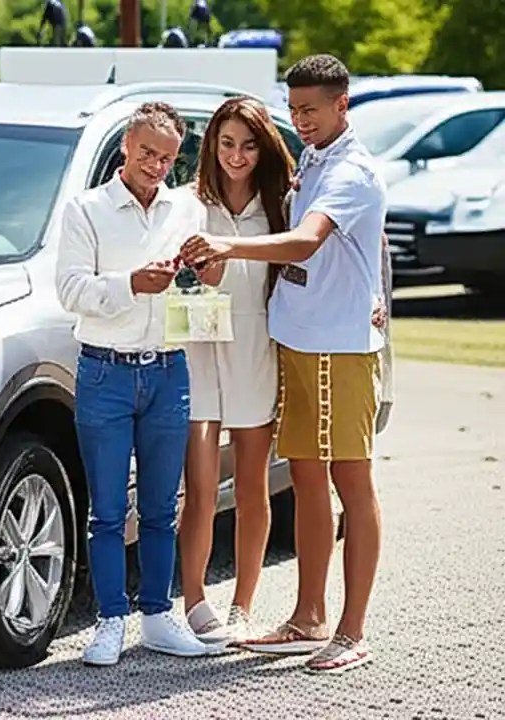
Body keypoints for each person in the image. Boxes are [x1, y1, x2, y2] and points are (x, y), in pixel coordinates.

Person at [179, 53, 387, 674]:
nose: (301, 121)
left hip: (337, 349)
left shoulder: (351, 170)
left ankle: (350, 633)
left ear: (342, 105)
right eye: (294, 110)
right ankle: (308, 618)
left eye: (312, 111)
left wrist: (228, 244)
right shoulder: (313, 163)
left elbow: (305, 242)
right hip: (297, 343)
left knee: (351, 482)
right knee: (305, 480)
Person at [56, 101, 226, 667]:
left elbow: (204, 284)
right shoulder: (87, 209)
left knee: (160, 505)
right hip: (104, 370)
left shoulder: (186, 209)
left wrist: (208, 269)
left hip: (168, 370)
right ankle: (110, 620)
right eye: (148, 153)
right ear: (126, 148)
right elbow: (70, 290)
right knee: (107, 510)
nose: (157, 165)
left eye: (168, 156)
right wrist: (131, 283)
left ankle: (157, 615)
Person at [175, 96, 297, 646]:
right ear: (212, 145)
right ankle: (195, 600)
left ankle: (244, 605)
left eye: (248, 145)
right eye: (226, 144)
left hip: (255, 348)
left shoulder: (282, 206)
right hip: (198, 350)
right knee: (199, 488)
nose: (236, 155)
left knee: (252, 486)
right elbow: (171, 282)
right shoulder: (187, 206)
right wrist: (202, 272)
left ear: (264, 146)